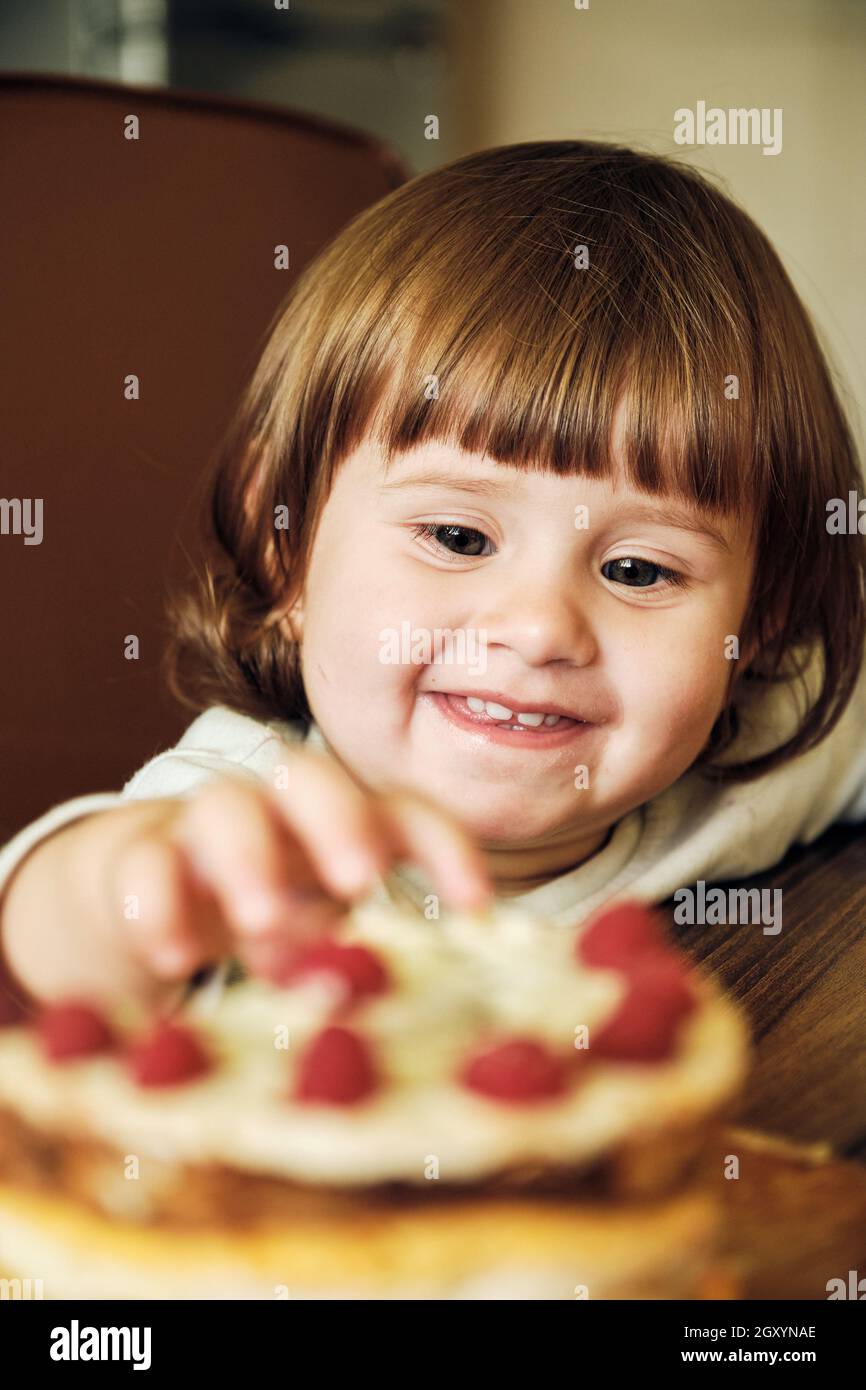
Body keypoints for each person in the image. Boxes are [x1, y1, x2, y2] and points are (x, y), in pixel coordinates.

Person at [2, 139, 865, 1016]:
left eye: (638, 568)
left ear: (762, 613)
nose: (537, 628)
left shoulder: (753, 760)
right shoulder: (255, 820)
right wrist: (125, 895)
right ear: (284, 541)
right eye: (457, 535)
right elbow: (63, 930)